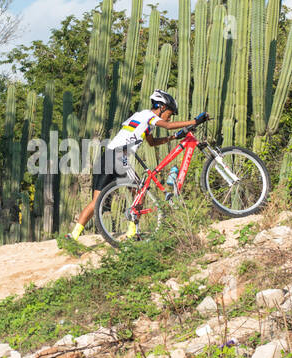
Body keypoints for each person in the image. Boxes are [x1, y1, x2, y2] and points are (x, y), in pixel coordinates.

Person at [69, 90, 205, 243]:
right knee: (140, 190)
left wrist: (173, 137)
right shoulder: (149, 115)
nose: (170, 116)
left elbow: (152, 143)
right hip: (120, 157)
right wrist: (193, 122)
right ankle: (132, 233)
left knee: (97, 201)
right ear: (161, 107)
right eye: (170, 112)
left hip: (107, 156)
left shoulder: (142, 118)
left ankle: (73, 236)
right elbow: (167, 125)